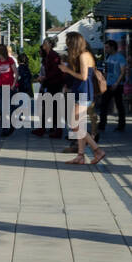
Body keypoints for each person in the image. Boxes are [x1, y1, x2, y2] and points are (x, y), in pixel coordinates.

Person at [59, 32, 105, 166]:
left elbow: (83, 77)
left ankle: (97, 150)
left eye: (68, 42)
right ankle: (80, 156)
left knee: (74, 124)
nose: (67, 45)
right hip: (81, 91)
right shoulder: (84, 55)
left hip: (83, 92)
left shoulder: (84, 56)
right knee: (79, 125)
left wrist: (67, 70)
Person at [38, 37, 67, 141]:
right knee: (49, 106)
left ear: (49, 44)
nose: (43, 45)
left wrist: (44, 77)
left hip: (54, 84)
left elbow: (55, 71)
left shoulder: (53, 55)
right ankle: (45, 128)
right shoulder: (49, 55)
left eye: (45, 43)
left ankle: (57, 130)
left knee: (54, 107)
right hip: (51, 83)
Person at [98, 39, 127, 134]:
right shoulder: (108, 57)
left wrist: (116, 83)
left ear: (112, 47)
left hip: (117, 85)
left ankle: (121, 125)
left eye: (107, 47)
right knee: (103, 104)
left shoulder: (120, 57)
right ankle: (102, 125)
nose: (105, 49)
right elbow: (107, 71)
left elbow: (123, 72)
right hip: (108, 84)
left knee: (119, 104)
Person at [0, 43, 18, 136]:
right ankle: (5, 129)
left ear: (1, 51)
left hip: (9, 87)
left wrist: (13, 86)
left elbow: (16, 73)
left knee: (9, 108)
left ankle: (11, 125)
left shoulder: (10, 60)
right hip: (1, 88)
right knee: (2, 109)